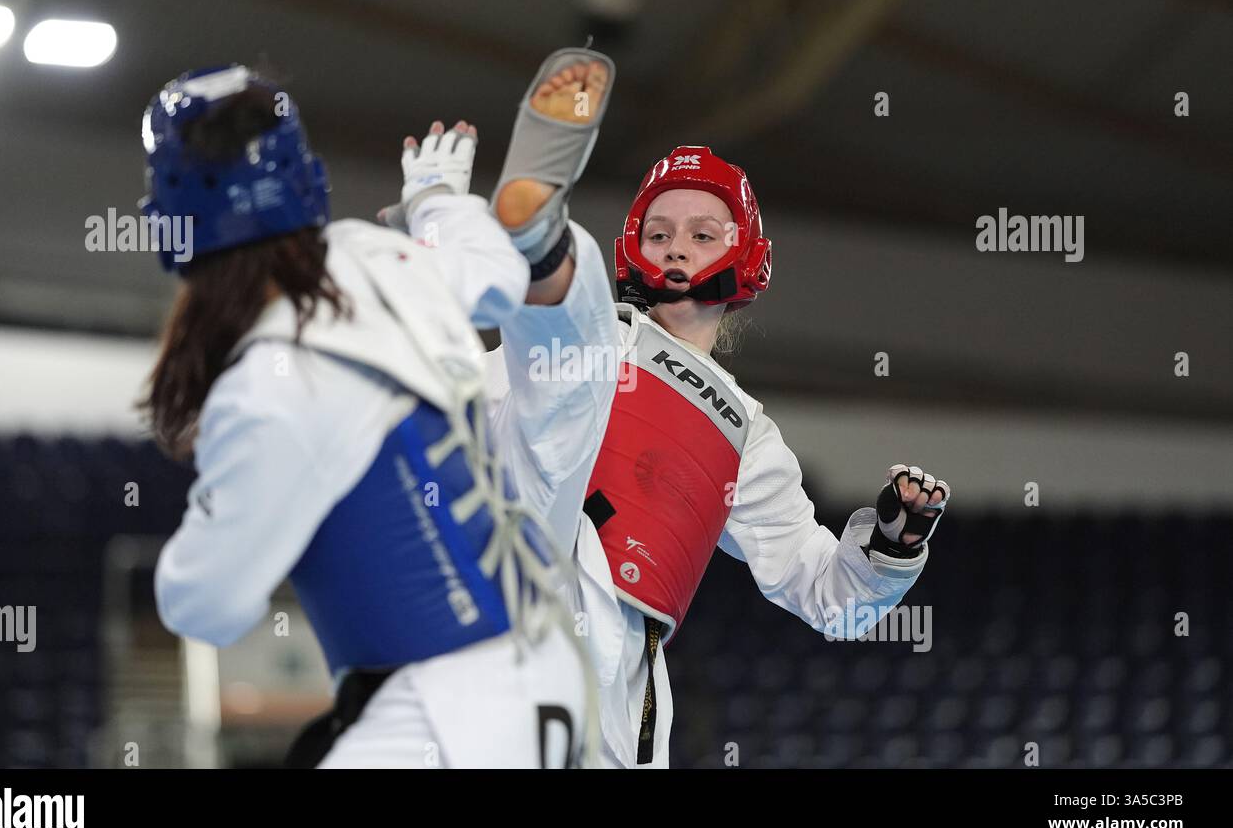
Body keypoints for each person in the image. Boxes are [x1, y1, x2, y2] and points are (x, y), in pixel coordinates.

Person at [141, 51, 617, 768]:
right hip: (545, 671)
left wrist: (216, 508)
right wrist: (435, 199)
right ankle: (551, 234)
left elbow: (204, 605)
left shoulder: (269, 392)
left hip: (448, 717)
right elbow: (494, 272)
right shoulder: (377, 257)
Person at [487, 144, 954, 768]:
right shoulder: (585, 335)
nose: (676, 248)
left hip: (623, 680)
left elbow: (830, 599)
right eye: (659, 233)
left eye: (702, 234)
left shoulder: (744, 432)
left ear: (746, 255)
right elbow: (463, 421)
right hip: (501, 608)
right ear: (632, 250)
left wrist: (894, 546)